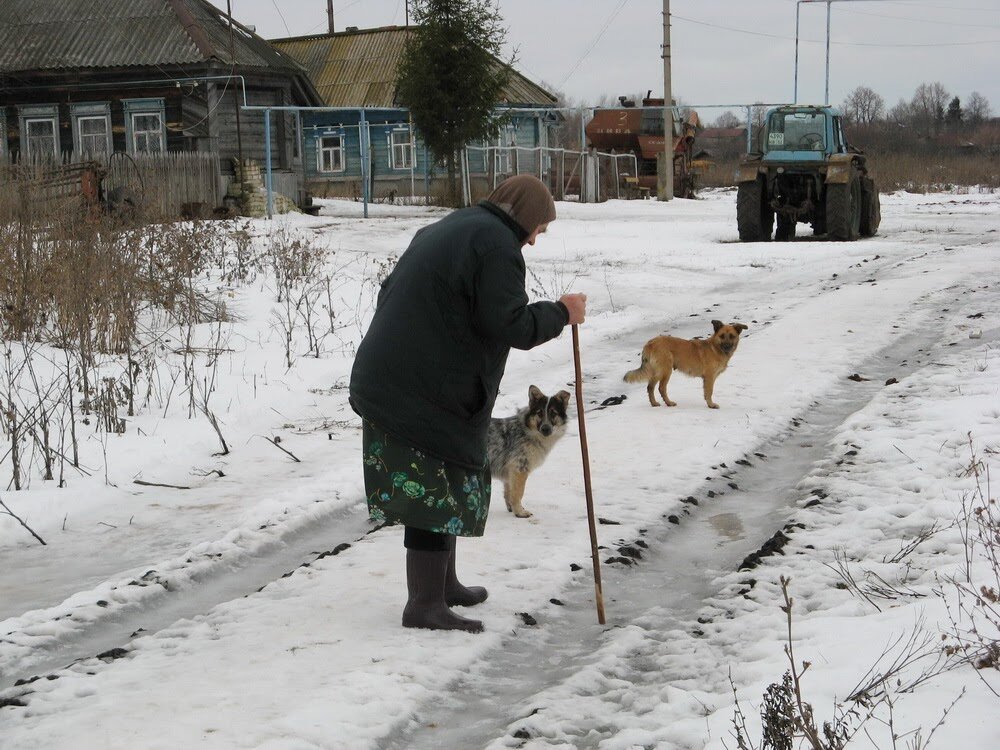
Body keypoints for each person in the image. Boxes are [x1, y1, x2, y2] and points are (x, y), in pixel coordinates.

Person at [349, 175, 586, 633]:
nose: (536, 240)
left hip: (404, 377)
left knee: (451, 479)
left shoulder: (459, 226)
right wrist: (561, 312)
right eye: (539, 228)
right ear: (523, 216)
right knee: (431, 491)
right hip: (415, 390)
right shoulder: (497, 245)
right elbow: (510, 324)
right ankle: (424, 606)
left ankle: (444, 586)